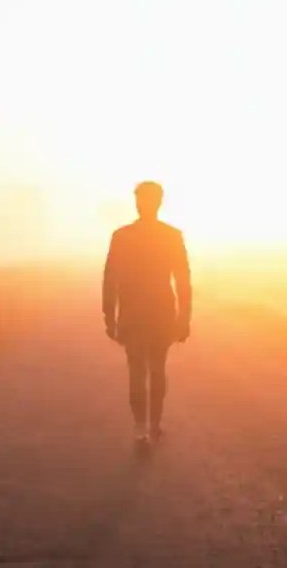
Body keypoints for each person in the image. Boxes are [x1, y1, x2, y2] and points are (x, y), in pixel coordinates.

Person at [103, 181, 192, 444]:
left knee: (139, 370)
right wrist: (183, 318)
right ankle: (151, 424)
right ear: (159, 202)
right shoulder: (171, 235)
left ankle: (142, 426)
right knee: (155, 369)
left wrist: (110, 316)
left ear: (139, 202)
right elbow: (183, 279)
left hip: (136, 312)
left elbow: (110, 278)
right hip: (159, 311)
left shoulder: (123, 236)